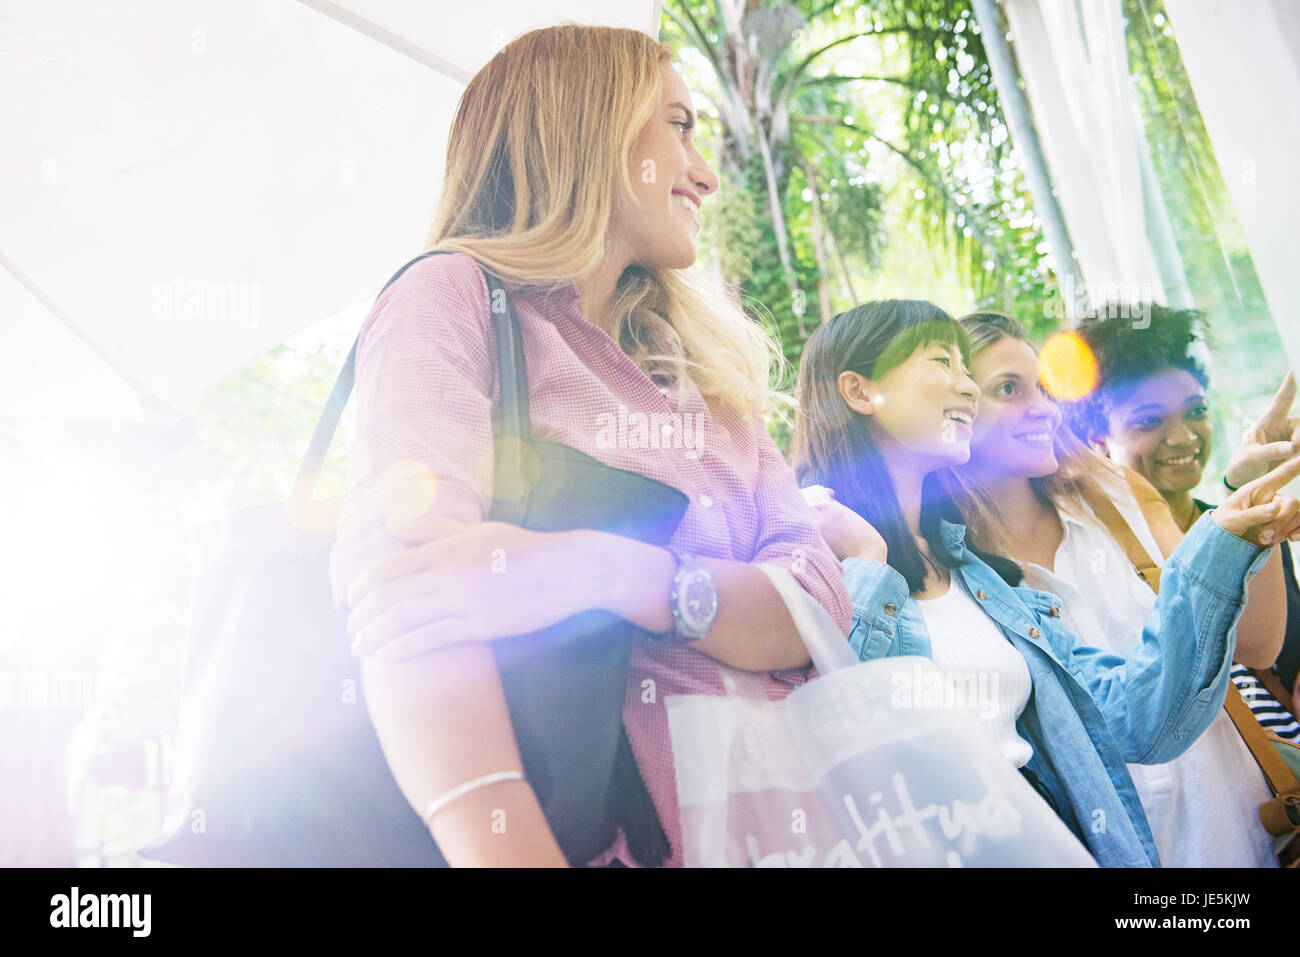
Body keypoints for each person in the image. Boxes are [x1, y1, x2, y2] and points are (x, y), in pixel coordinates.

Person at [327, 24, 851, 868]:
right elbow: (409, 600)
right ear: (588, 127)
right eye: (679, 126)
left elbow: (817, 607)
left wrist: (610, 570)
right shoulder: (451, 296)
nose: (707, 174)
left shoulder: (706, 382)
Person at [792, 299, 1300, 866]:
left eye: (967, 373)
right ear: (860, 392)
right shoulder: (808, 546)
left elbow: (1133, 718)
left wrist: (1228, 539)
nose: (963, 389)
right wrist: (866, 559)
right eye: (944, 364)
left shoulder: (979, 577)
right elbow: (844, 756)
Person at [955, 309, 1286, 867]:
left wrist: (1261, 513)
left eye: (1040, 387)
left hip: (1236, 825)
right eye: (1007, 389)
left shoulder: (1112, 494)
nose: (1038, 407)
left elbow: (1255, 646)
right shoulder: (951, 577)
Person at [1064, 304, 1300, 743]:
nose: (1183, 437)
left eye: (1195, 411)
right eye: (1150, 421)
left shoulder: (1251, 520)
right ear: (1098, 439)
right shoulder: (1093, 554)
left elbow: (1281, 654)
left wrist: (1252, 494)